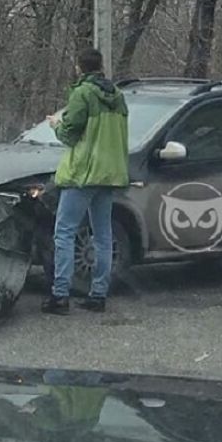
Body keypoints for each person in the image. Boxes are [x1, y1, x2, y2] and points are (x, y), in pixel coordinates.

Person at [43, 48, 129, 315]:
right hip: (109, 173)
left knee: (65, 233)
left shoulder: (82, 94)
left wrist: (56, 124)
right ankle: (98, 295)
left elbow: (69, 135)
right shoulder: (118, 96)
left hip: (83, 175)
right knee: (103, 235)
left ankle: (60, 296)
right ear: (100, 66)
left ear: (79, 68)